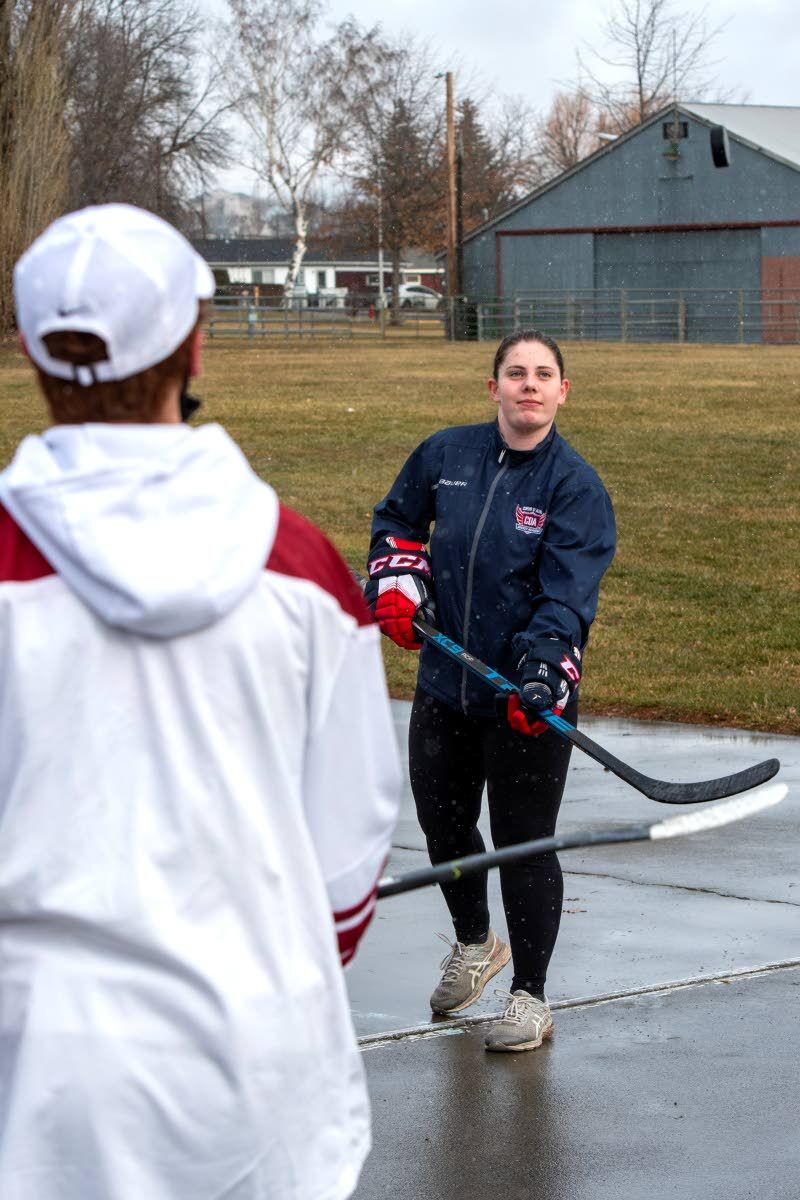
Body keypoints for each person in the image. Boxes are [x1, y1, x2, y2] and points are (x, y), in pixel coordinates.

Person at [0, 203, 401, 1200]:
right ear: (194, 347)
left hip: (33, 1075)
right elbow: (349, 847)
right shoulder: (305, 573)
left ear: (36, 355)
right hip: (255, 1074)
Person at [365, 330, 615, 1052]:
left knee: (521, 843)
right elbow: (396, 522)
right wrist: (399, 581)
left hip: (525, 696)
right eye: (515, 373)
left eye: (543, 374)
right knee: (444, 827)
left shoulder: (575, 487)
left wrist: (544, 673)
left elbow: (566, 597)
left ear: (563, 391)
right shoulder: (445, 455)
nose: (528, 385)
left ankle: (530, 996)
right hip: (445, 684)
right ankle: (476, 944)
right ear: (494, 386)